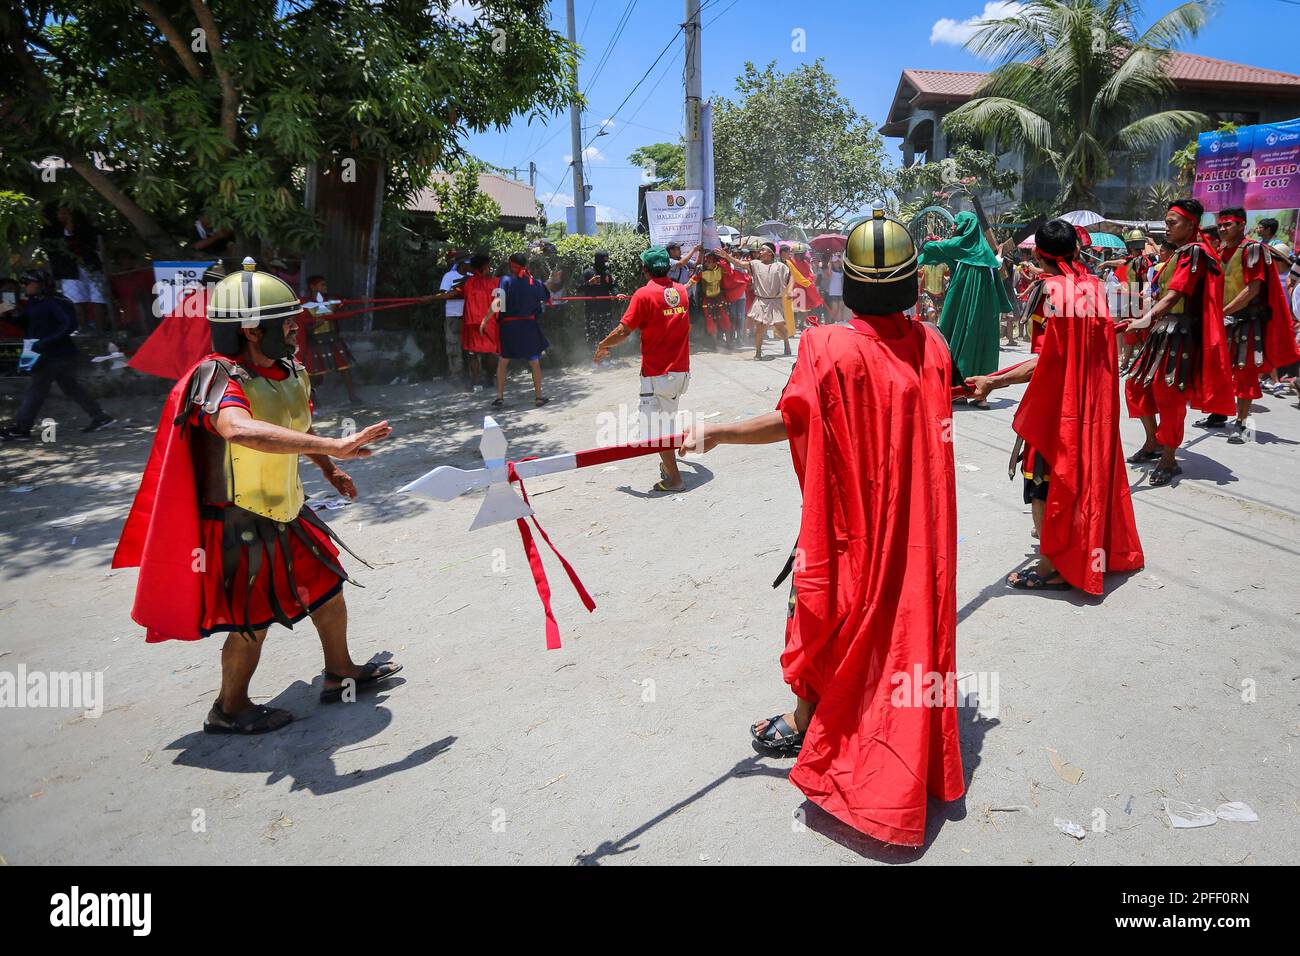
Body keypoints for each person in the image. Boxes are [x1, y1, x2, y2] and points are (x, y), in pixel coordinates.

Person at [677, 208, 964, 846]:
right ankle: (901, 738)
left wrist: (718, 430)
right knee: (904, 622)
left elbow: (793, 420)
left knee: (818, 604)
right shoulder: (935, 346)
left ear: (850, 285)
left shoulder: (826, 346)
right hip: (919, 532)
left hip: (850, 528)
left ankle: (808, 718)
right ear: (914, 284)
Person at [110, 259, 401, 734]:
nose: (294, 329)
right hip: (238, 520)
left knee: (327, 589)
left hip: (286, 507)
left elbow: (294, 423)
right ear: (250, 329)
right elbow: (239, 429)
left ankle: (339, 672)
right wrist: (334, 446)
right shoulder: (217, 376)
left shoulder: (288, 369)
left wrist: (327, 466)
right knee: (252, 618)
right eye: (284, 322)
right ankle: (229, 708)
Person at [964, 220, 1144, 593]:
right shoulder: (1093, 287)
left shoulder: (1047, 291)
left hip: (1060, 406)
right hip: (1092, 408)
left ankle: (1052, 568)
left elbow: (1044, 362)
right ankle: (1089, 548)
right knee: (1084, 474)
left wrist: (992, 381)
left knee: (1043, 478)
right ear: (1076, 252)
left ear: (1035, 253)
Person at [1120, 199, 1234, 486]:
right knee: (1135, 386)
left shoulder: (1194, 253)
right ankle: (1153, 442)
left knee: (1169, 398)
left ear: (1191, 225)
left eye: (1173, 222)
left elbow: (1174, 297)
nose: (1167, 227)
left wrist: (1144, 319)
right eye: (1167, 221)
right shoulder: (1177, 254)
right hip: (1162, 331)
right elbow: (1160, 294)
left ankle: (1169, 459)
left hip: (1179, 335)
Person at [1190, 207, 1300, 441]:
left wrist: (1223, 312)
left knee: (1245, 372)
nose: (1222, 229)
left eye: (1227, 225)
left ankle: (1243, 424)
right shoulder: (1220, 251)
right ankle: (1219, 414)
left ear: (1242, 225)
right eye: (1220, 225)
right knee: (1220, 369)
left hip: (1248, 322)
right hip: (1225, 321)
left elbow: (1253, 288)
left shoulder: (1252, 249)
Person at [594, 246, 691, 493]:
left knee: (654, 430)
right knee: (665, 422)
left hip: (658, 374)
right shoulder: (680, 291)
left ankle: (675, 480)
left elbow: (623, 331)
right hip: (680, 372)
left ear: (645, 269)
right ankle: (668, 463)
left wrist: (603, 345)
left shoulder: (643, 294)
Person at [0, 269, 113, 441]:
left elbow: (68, 325)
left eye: (27, 282)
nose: (24, 286)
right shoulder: (34, 302)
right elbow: (25, 323)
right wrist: (6, 314)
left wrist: (45, 342)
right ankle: (101, 417)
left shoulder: (55, 301)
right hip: (49, 353)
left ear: (40, 284)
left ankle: (22, 428)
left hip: (55, 355)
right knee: (71, 387)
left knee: (36, 389)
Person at [919, 211, 1014, 402]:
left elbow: (929, 248)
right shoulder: (987, 252)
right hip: (985, 307)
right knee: (981, 342)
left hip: (960, 302)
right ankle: (981, 396)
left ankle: (959, 390)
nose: (953, 227)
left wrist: (932, 241)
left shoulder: (958, 245)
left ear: (965, 225)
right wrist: (1004, 305)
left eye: (956, 223)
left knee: (955, 336)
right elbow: (997, 280)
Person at [494, 251, 561, 407]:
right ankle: (538, 397)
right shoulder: (533, 282)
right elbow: (544, 293)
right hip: (528, 326)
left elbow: (499, 302)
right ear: (525, 266)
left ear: (511, 266)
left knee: (503, 361)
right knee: (534, 362)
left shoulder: (505, 280)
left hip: (509, 327)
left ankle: (500, 397)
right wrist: (552, 280)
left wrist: (487, 317)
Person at [41, 204, 108, 334]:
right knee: (76, 300)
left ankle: (100, 330)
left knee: (98, 297)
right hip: (69, 271)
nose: (65, 216)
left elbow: (95, 243)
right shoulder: (50, 231)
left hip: (91, 267)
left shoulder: (86, 229)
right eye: (62, 213)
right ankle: (83, 329)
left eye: (68, 213)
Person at [718, 242, 790, 360]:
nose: (760, 252)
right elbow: (739, 263)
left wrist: (789, 290)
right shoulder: (755, 264)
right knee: (760, 326)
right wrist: (726, 256)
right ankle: (758, 352)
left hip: (775, 301)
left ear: (770, 254)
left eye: (762, 250)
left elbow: (790, 279)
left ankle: (786, 342)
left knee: (779, 326)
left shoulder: (781, 267)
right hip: (760, 301)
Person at [300, 274, 360, 404]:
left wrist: (362, 300)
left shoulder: (332, 301)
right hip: (316, 341)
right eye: (322, 284)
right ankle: (312, 399)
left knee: (344, 368)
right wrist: (317, 325)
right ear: (313, 286)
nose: (325, 287)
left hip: (333, 338)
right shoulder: (305, 304)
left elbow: (347, 304)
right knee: (312, 374)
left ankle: (352, 396)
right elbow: (304, 328)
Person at [460, 253, 501, 390]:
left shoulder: (467, 282)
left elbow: (454, 293)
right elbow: (499, 304)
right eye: (489, 265)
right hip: (489, 323)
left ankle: (477, 381)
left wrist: (431, 298)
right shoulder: (495, 282)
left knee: (473, 352)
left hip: (472, 323)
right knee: (492, 352)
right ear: (484, 266)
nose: (490, 267)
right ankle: (489, 378)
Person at [687, 248, 733, 350]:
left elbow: (730, 271)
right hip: (707, 300)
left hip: (719, 298)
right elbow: (691, 282)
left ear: (715, 262)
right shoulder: (701, 271)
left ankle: (729, 342)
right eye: (706, 261)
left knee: (725, 320)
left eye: (710, 261)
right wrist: (681, 288)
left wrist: (724, 256)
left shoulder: (721, 269)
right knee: (710, 322)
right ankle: (715, 344)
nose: (707, 263)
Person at [581, 250, 619, 356]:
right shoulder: (588, 272)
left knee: (607, 335)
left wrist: (617, 294)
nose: (605, 264)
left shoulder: (607, 273)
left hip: (606, 309)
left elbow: (613, 286)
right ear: (597, 260)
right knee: (593, 335)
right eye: (603, 261)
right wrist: (589, 283)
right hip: (591, 310)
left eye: (606, 261)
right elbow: (578, 288)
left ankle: (606, 358)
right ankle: (595, 358)